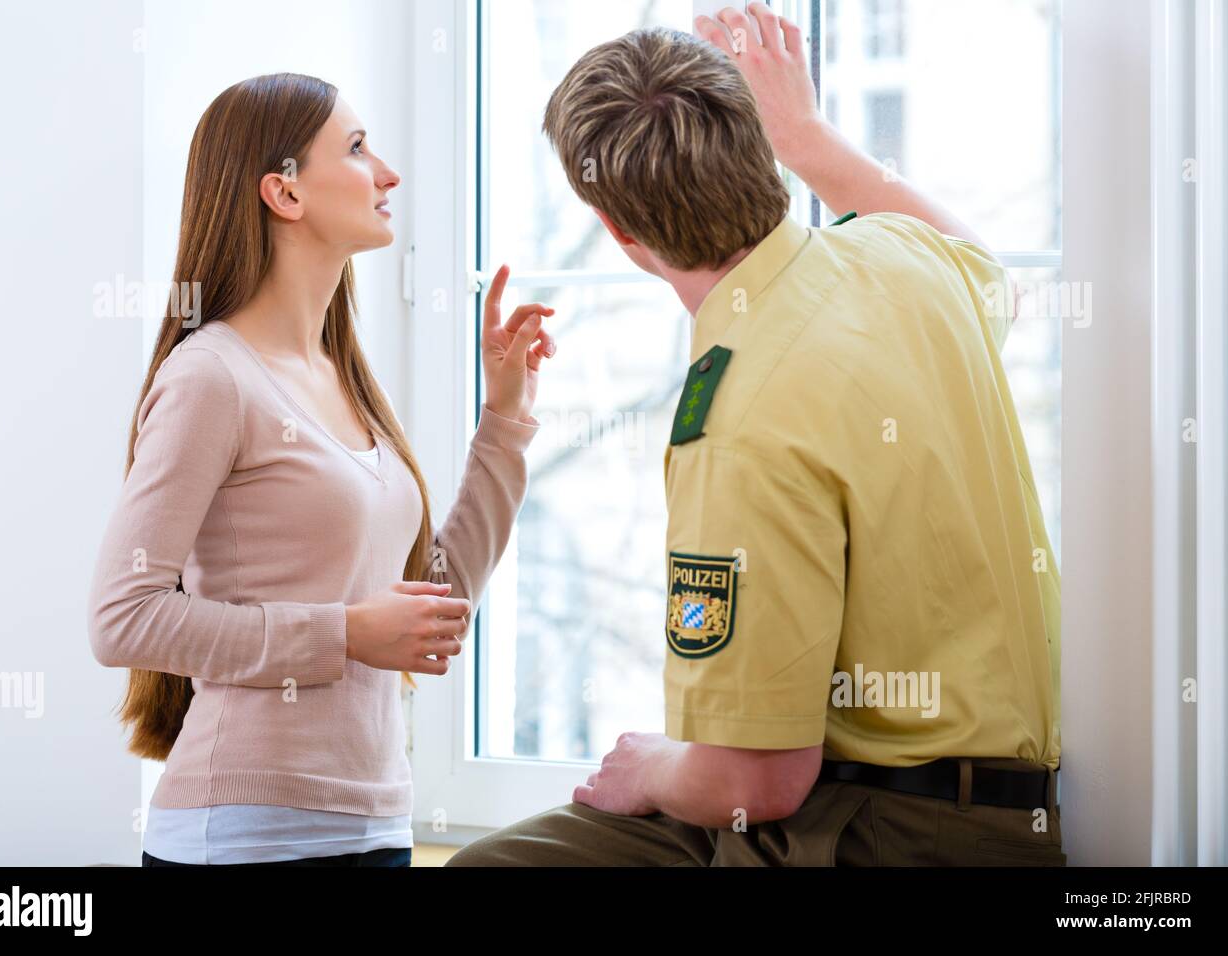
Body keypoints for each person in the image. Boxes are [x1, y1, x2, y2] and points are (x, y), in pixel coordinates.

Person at [446, 4, 1063, 866]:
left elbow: (756, 784)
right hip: (1002, 818)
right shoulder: (908, 266)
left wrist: (656, 768)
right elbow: (981, 264)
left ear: (622, 234)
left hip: (883, 835)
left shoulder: (736, 418)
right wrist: (804, 133)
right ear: (754, 147)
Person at [87, 72, 557, 866]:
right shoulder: (212, 377)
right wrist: (343, 633)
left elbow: (429, 602)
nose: (388, 173)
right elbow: (122, 618)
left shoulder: (346, 380)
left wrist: (505, 418)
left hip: (375, 823)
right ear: (285, 193)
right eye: (358, 147)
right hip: (244, 837)